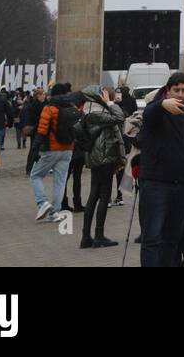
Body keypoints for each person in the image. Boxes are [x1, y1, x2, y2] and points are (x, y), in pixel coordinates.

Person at [137, 72, 184, 267]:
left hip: (182, 185)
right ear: (167, 91)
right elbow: (148, 115)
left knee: (173, 237)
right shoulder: (156, 110)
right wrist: (161, 104)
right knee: (152, 237)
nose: (180, 94)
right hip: (156, 183)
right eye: (176, 90)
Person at [76, 85, 125, 249]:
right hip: (104, 157)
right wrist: (110, 103)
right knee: (104, 195)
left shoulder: (89, 109)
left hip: (97, 156)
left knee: (94, 195)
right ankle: (98, 235)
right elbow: (120, 117)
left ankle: (86, 237)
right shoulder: (98, 112)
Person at [29, 84, 77, 224]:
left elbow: (41, 130)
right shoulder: (72, 108)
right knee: (60, 181)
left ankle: (42, 203)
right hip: (68, 149)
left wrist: (35, 150)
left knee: (35, 175)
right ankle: (55, 212)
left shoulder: (49, 108)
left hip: (51, 149)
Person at [21, 87, 46, 175]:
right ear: (38, 96)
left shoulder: (42, 104)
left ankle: (35, 167)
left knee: (37, 149)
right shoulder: (35, 105)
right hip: (36, 130)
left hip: (39, 130)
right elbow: (34, 119)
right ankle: (30, 168)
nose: (44, 96)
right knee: (34, 149)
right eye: (43, 94)